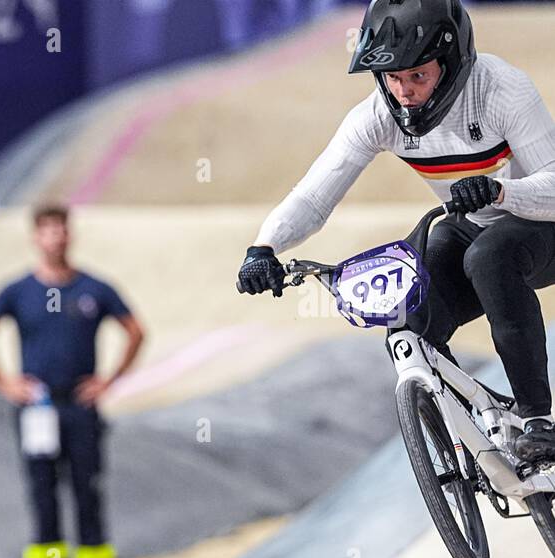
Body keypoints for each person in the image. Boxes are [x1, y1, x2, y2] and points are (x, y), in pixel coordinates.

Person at [238, 0, 555, 464]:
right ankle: (472, 428)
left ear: (452, 64)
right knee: (406, 303)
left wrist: (500, 193)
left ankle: (537, 421)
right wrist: (263, 246)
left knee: (487, 257)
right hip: (474, 224)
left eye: (418, 77)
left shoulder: (501, 90)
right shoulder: (377, 116)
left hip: (541, 224)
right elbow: (314, 195)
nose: (404, 92)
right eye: (393, 78)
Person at [0, 206, 145, 558]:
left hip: (80, 404)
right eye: (48, 231)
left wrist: (109, 380)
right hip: (37, 406)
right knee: (42, 486)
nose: (56, 238)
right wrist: (3, 382)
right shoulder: (17, 291)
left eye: (61, 230)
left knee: (88, 483)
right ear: (36, 238)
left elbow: (135, 331)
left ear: (71, 235)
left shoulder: (93, 289)